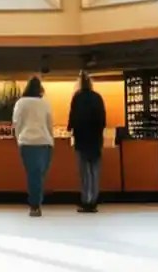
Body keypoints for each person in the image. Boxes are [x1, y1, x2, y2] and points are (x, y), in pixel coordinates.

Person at [12, 76, 54, 217]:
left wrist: (19, 138)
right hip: (44, 142)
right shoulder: (45, 103)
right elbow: (49, 124)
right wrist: (51, 140)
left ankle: (35, 205)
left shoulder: (21, 103)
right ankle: (36, 202)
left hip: (27, 142)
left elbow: (17, 123)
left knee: (32, 174)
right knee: (40, 174)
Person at [66, 71, 107, 213]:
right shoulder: (97, 98)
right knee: (95, 171)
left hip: (81, 140)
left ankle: (85, 199)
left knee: (84, 172)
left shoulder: (77, 98)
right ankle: (94, 200)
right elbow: (103, 120)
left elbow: (72, 118)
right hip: (95, 140)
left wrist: (70, 129)